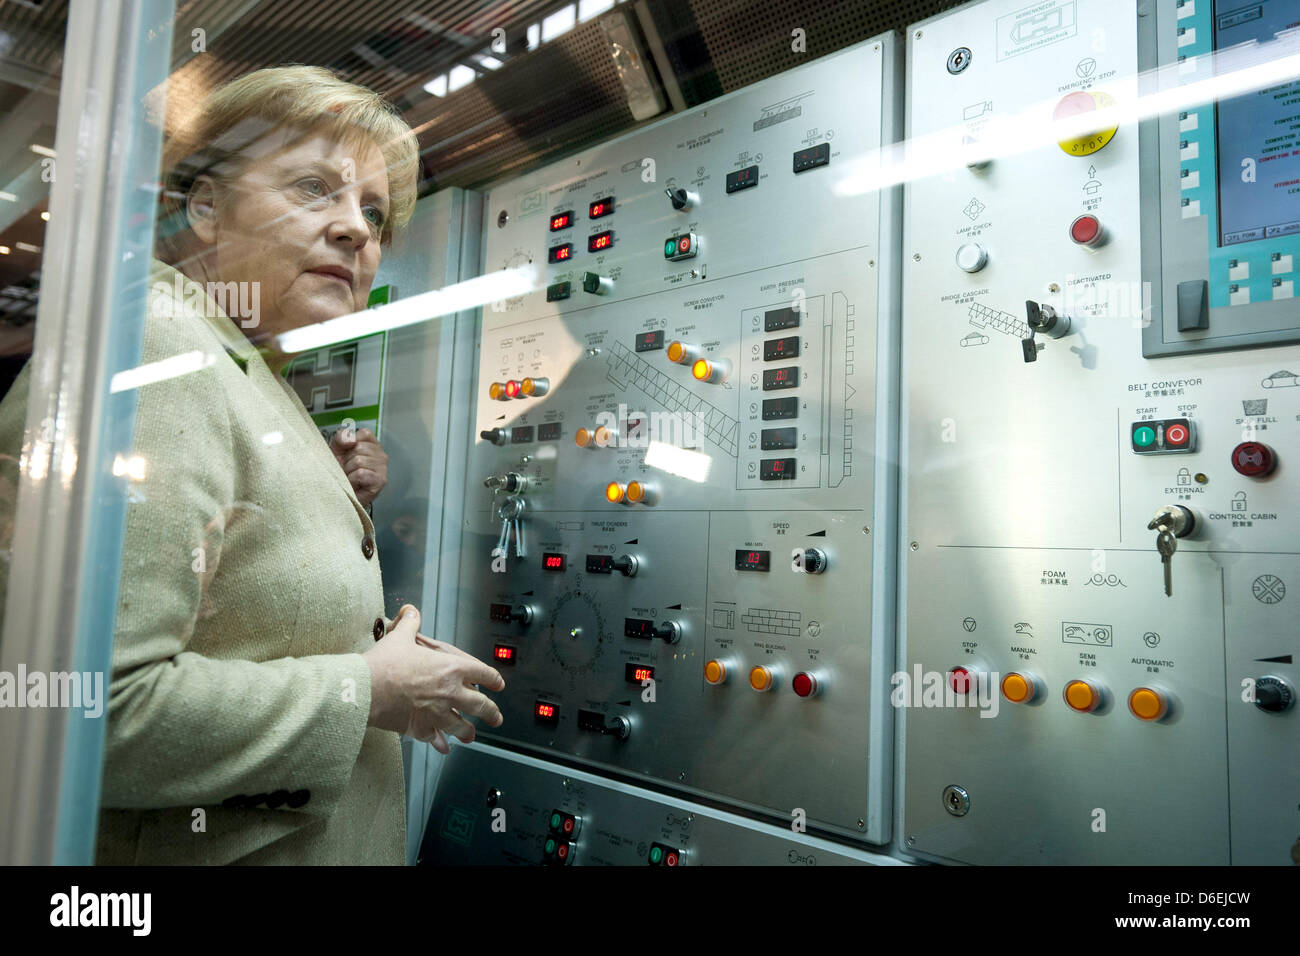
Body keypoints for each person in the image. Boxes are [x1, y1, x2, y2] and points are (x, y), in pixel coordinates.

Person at [0, 66, 504, 865]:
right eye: (314, 188)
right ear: (205, 208)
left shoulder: (237, 362)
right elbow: (81, 710)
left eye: (373, 212)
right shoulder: (152, 347)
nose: (356, 230)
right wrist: (370, 689)